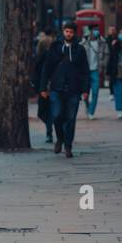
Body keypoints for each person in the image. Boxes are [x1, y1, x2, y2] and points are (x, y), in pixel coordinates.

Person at [38, 19, 88, 157]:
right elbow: (46, 68)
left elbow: (85, 71)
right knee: (56, 115)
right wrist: (43, 87)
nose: (69, 34)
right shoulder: (55, 47)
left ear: (74, 33)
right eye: (67, 31)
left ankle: (68, 146)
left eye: (71, 32)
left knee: (71, 119)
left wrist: (85, 90)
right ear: (63, 31)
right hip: (56, 88)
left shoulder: (80, 49)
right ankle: (60, 138)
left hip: (74, 89)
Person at [34, 28, 56, 143]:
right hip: (53, 84)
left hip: (46, 84)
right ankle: (51, 131)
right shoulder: (56, 42)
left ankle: (49, 132)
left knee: (46, 109)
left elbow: (37, 58)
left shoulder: (41, 42)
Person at [82, 25, 109, 118]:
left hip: (95, 71)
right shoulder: (84, 43)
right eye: (93, 30)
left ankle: (91, 112)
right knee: (85, 92)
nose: (95, 32)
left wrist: (103, 65)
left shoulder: (102, 43)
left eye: (96, 30)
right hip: (85, 71)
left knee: (95, 91)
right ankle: (88, 106)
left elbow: (106, 55)